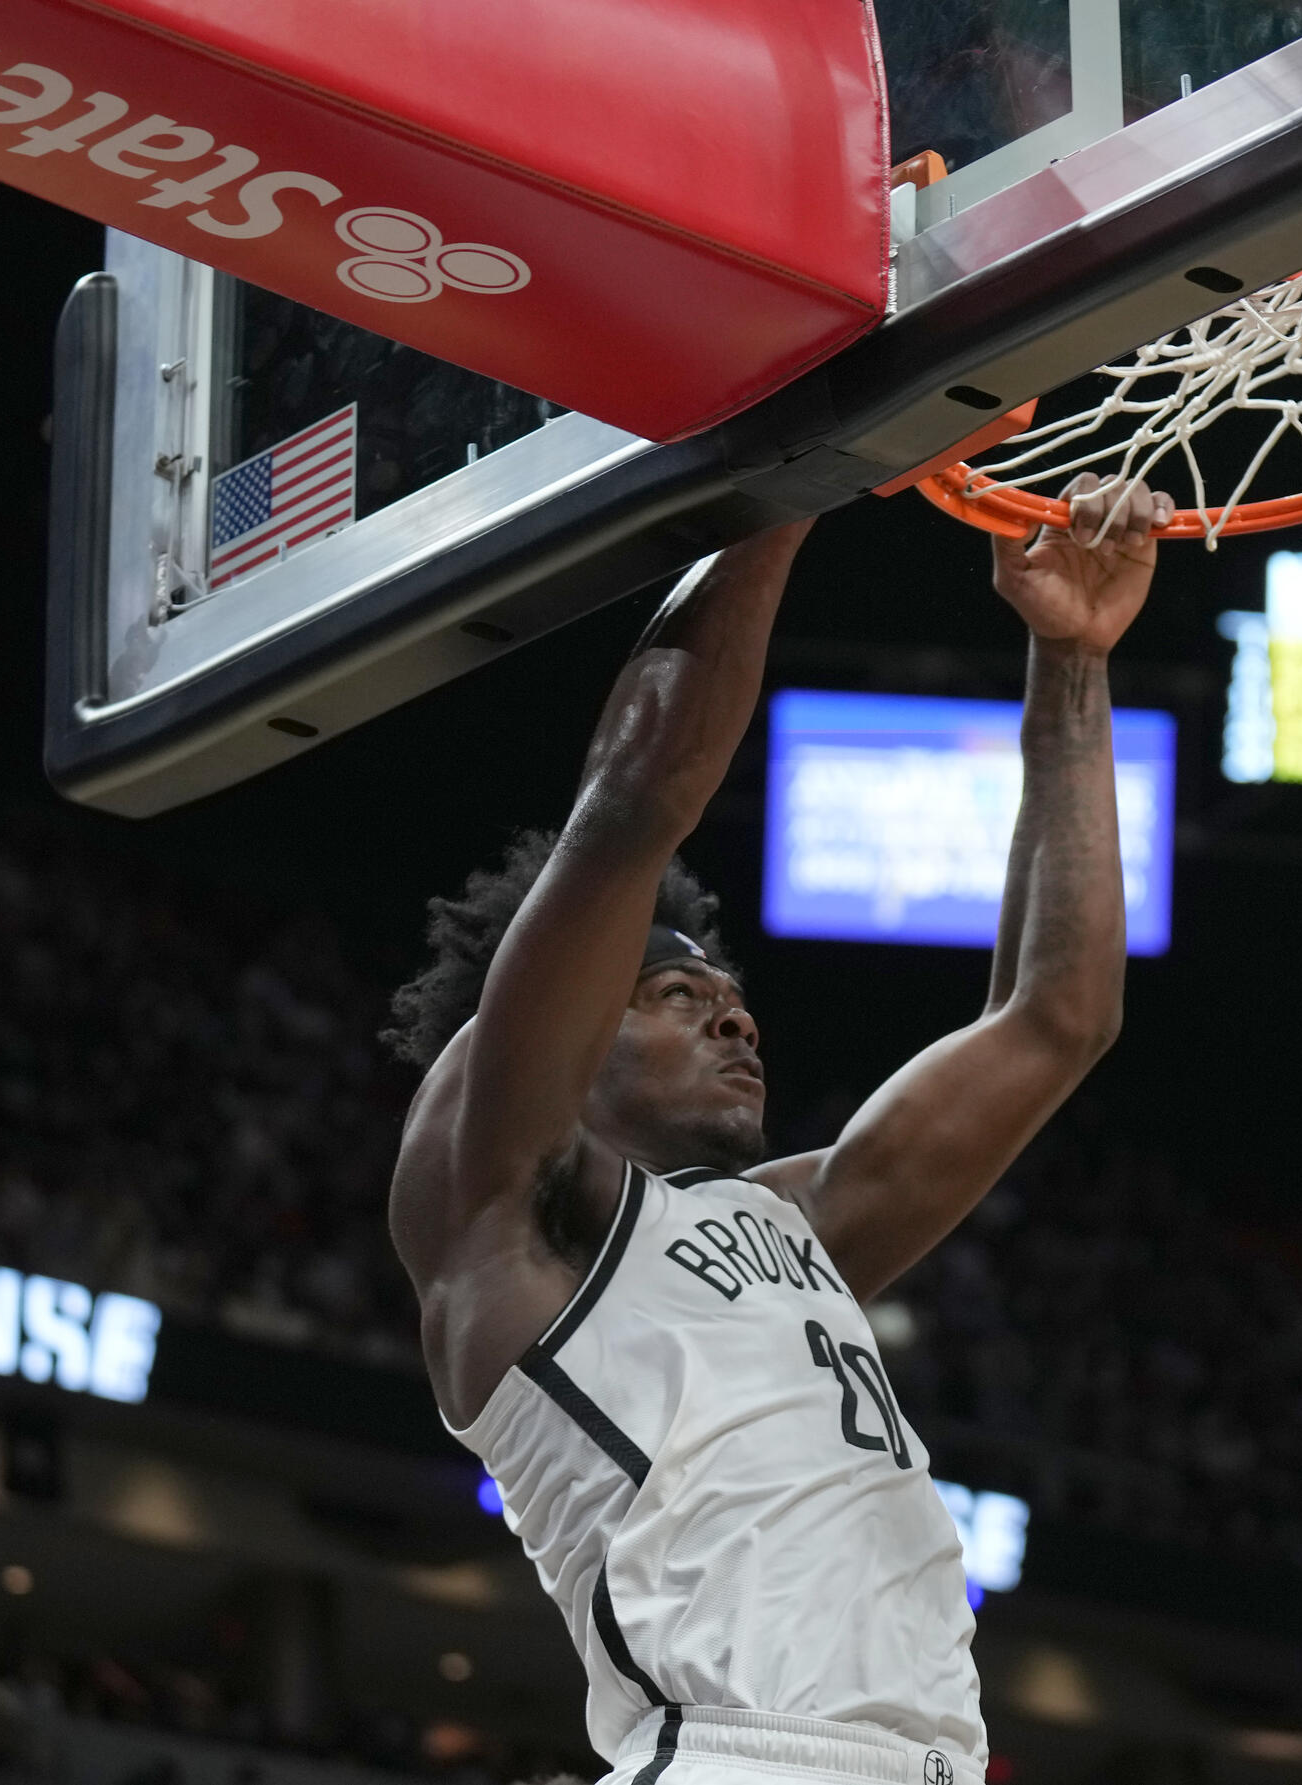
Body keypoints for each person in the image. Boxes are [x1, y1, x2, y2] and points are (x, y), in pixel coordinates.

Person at [384, 479, 1173, 1785]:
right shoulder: (509, 1206)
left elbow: (1057, 1015)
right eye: (678, 997)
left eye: (737, 1003)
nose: (736, 1023)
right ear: (563, 1035)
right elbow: (636, 799)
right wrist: (799, 471)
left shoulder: (792, 1222)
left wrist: (1072, 658)